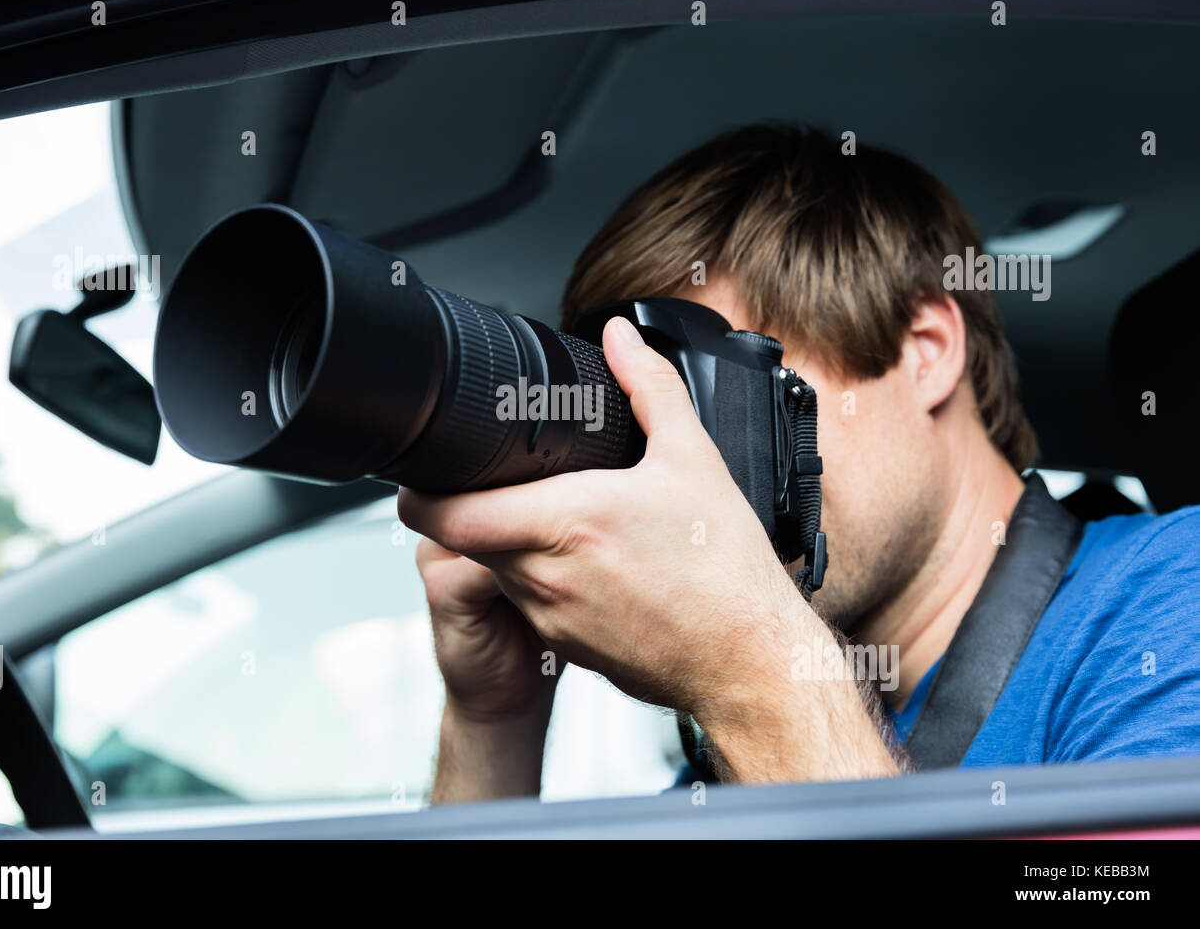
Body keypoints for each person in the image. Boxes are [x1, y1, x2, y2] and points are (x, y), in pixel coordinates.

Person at [396, 125, 1200, 801]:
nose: (684, 484)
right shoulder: (732, 761)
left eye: (707, 397)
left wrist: (746, 660)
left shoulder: (1169, 602)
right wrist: (492, 719)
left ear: (924, 353)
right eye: (650, 426)